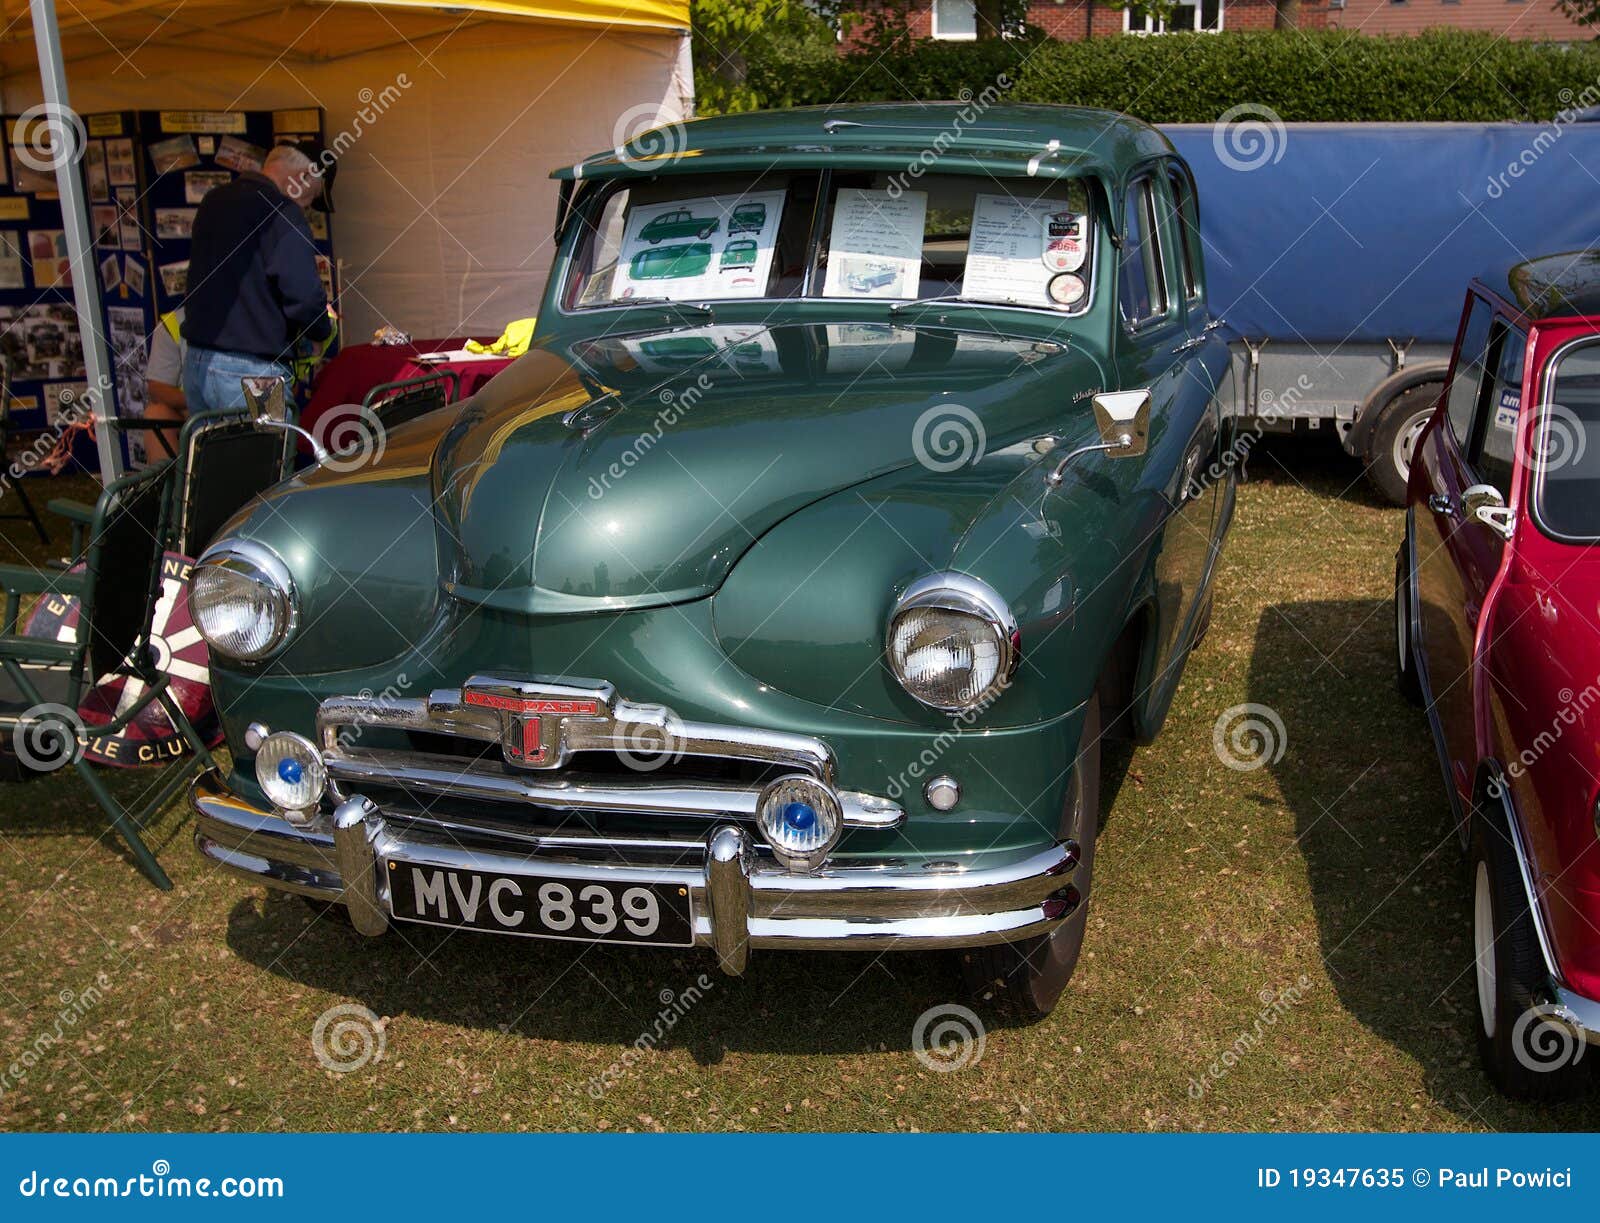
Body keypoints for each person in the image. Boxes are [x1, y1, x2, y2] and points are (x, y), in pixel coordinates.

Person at [181, 142, 337, 414]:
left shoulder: (214, 200)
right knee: (270, 455)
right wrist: (320, 331)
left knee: (214, 456)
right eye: (310, 198)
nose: (306, 207)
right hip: (253, 371)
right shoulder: (283, 212)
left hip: (198, 363)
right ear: (302, 178)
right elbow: (303, 294)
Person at [143, 306, 185, 461]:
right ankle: (170, 484)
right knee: (156, 415)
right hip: (194, 414)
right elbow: (157, 389)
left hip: (244, 413)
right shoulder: (172, 323)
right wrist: (196, 402)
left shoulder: (252, 318)